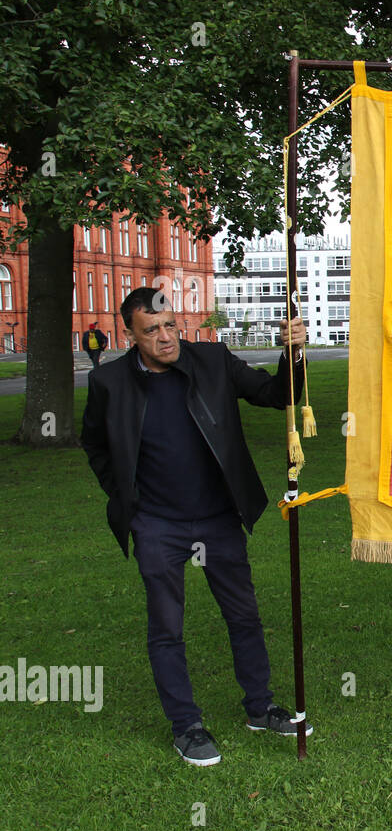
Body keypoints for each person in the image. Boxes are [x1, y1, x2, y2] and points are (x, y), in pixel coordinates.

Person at [81, 287, 312, 766]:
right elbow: (95, 444)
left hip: (218, 518)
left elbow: (275, 395)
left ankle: (259, 707)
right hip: (157, 525)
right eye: (152, 331)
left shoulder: (212, 361)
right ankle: (186, 726)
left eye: (170, 325)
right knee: (167, 627)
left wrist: (293, 352)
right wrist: (127, 497)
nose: (166, 338)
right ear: (131, 335)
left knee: (244, 615)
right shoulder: (110, 382)